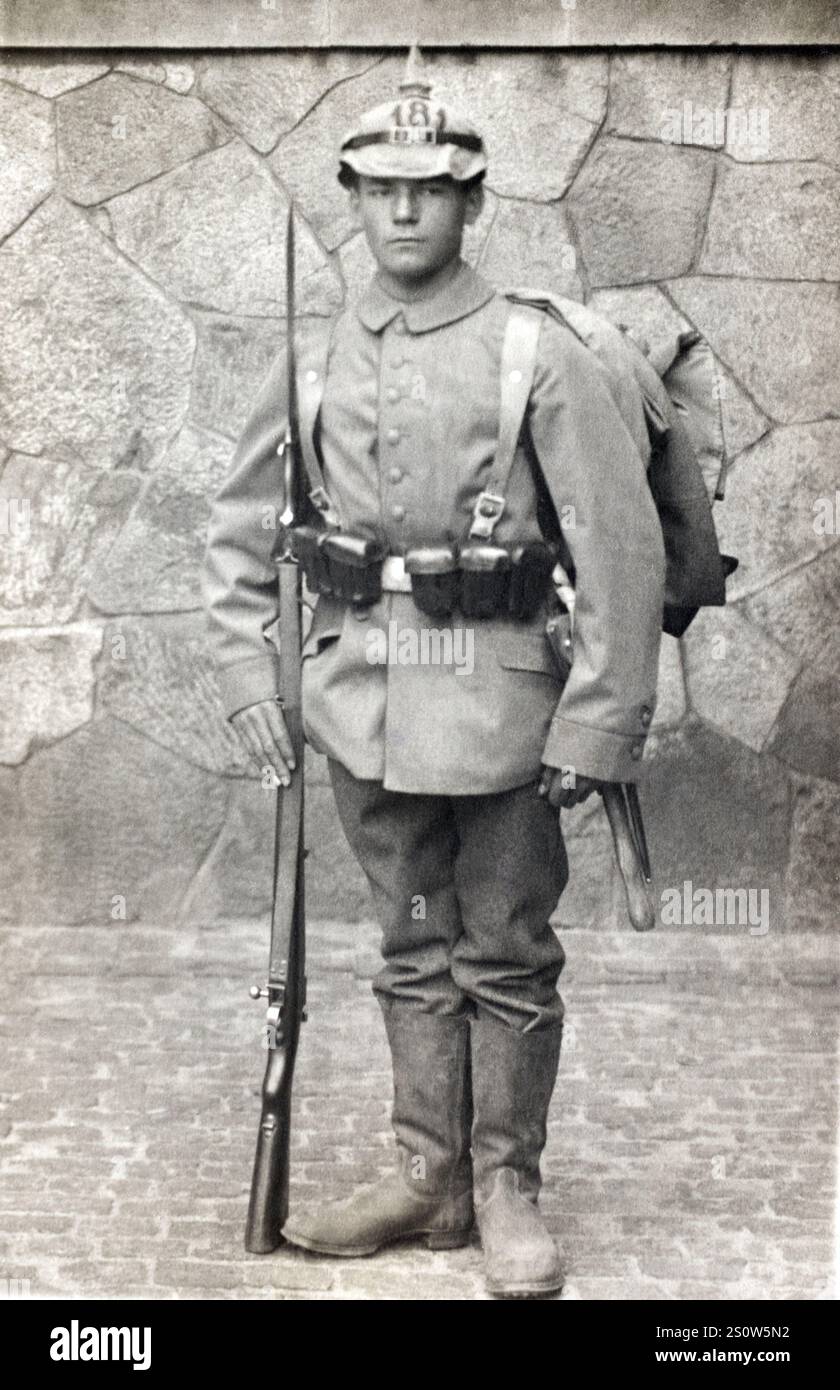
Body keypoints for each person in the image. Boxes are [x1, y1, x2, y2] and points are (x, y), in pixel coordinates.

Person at [202, 46, 665, 1298]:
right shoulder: (310, 356)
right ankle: (429, 1172)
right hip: (360, 699)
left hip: (509, 704)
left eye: (431, 188)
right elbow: (246, 522)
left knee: (505, 950)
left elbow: (619, 548)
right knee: (410, 942)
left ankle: (507, 1182)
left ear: (472, 201)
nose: (404, 210)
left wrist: (599, 722)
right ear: (352, 197)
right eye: (380, 188)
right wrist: (253, 672)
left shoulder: (538, 350)